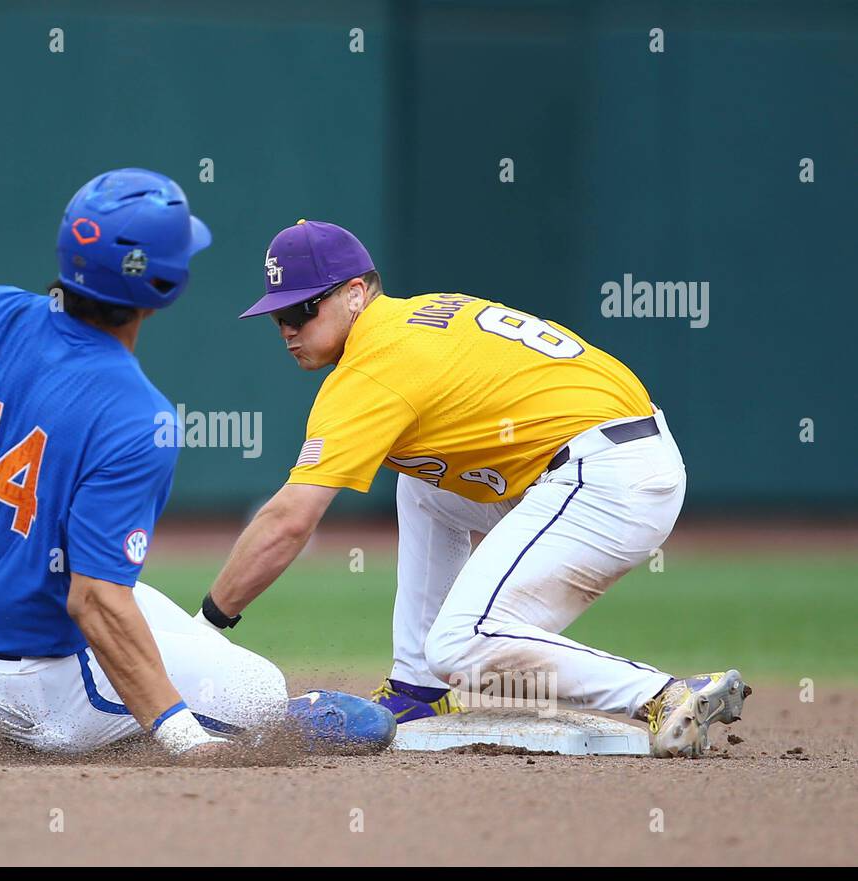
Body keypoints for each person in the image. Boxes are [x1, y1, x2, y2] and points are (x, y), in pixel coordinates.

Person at [0, 173, 393, 759]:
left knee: (170, 621)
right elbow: (95, 601)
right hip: (51, 685)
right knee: (260, 690)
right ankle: (17, 729)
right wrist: (185, 740)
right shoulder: (135, 415)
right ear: (165, 285)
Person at [192, 219, 750, 757]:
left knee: (460, 644)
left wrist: (204, 630)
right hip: (610, 455)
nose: (288, 328)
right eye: (277, 316)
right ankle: (417, 694)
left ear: (356, 294)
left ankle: (662, 694)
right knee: (423, 482)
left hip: (606, 477)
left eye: (301, 309)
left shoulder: (373, 368)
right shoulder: (424, 314)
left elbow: (289, 520)